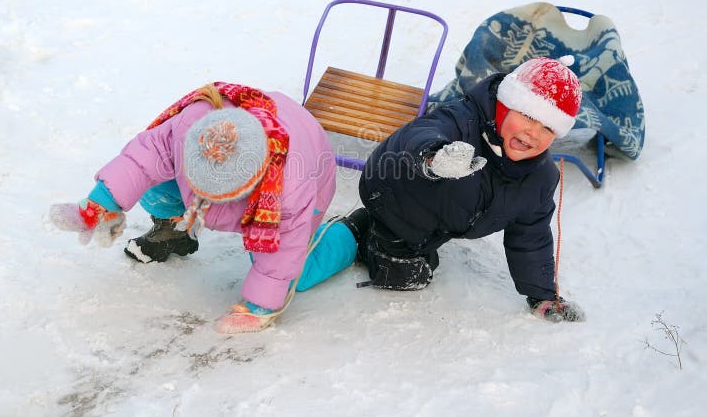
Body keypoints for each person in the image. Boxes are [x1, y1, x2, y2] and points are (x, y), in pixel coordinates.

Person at [49, 82, 358, 333]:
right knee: (154, 183)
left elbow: (281, 255)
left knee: (293, 273)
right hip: (240, 148)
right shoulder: (196, 123)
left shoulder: (289, 189)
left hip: (313, 171)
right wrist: (97, 205)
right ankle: (174, 231)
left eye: (214, 196)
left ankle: (347, 236)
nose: (201, 202)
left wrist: (259, 307)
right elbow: (143, 158)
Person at [336, 56, 587, 322]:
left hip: (439, 214)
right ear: (505, 105)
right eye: (527, 115)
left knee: (424, 258)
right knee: (405, 276)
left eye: (547, 127)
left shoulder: (539, 179)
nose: (533, 133)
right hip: (396, 192)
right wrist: (433, 158)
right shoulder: (463, 119)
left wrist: (543, 295)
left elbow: (531, 237)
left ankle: (384, 232)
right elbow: (423, 131)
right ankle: (361, 231)